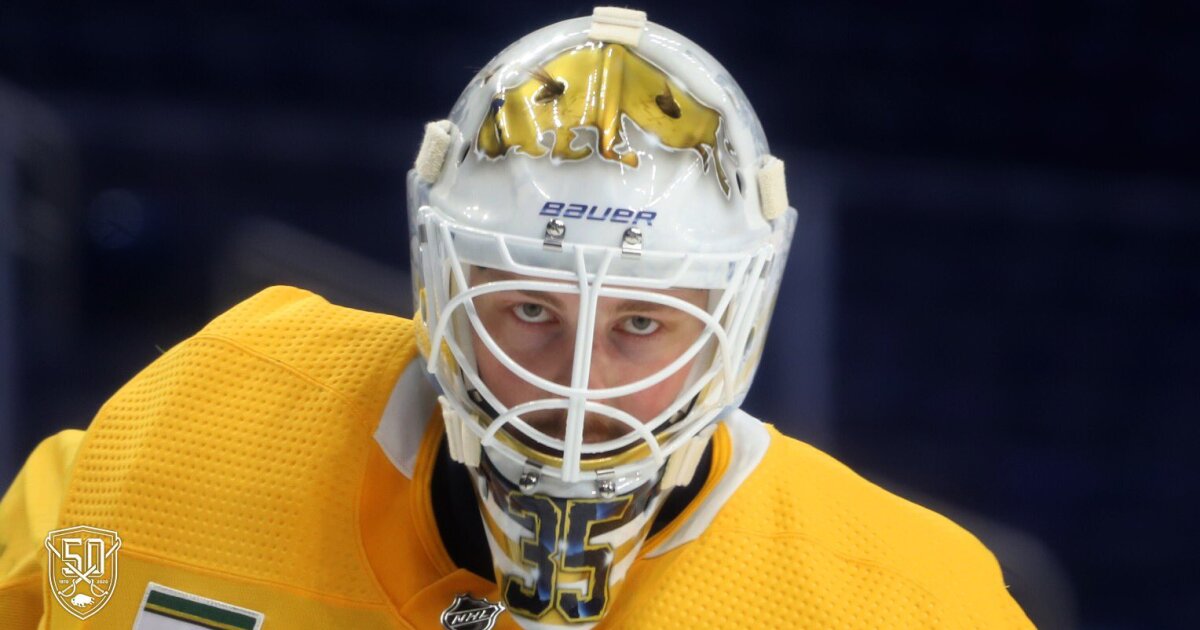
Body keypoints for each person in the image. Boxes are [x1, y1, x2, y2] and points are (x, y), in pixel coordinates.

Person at [0, 7, 1033, 629]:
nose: (575, 383)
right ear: (441, 283)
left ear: (734, 317)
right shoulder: (183, 437)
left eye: (640, 325)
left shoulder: (908, 606)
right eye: (532, 307)